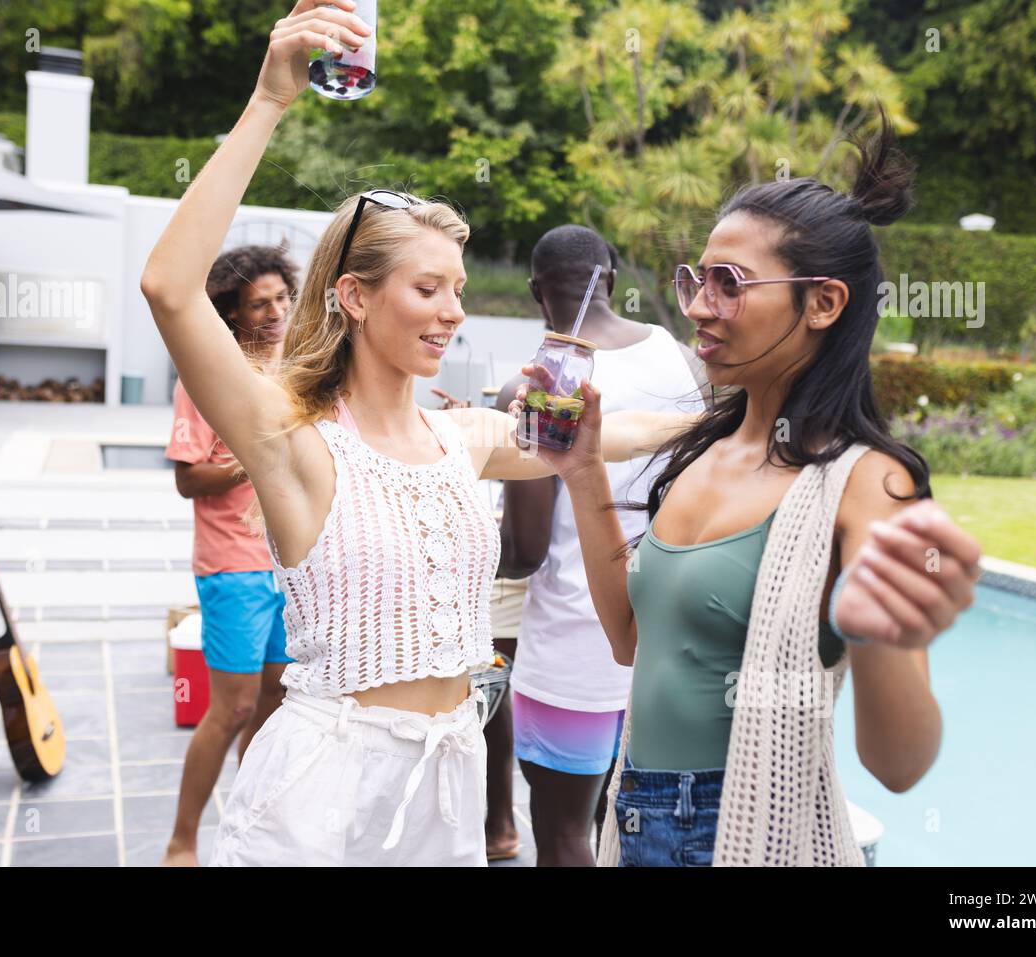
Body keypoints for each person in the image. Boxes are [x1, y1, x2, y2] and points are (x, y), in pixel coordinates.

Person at [140, 0, 698, 866]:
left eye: (459, 287)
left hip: (449, 786)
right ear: (356, 296)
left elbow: (617, 435)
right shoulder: (293, 442)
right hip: (323, 797)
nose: (455, 311)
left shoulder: (466, 435)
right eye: (428, 288)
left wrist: (739, 412)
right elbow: (170, 287)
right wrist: (268, 102)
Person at [509, 110, 983, 867]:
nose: (698, 306)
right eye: (697, 279)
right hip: (636, 819)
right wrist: (583, 468)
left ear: (823, 303)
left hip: (750, 830)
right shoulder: (705, 450)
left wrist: (875, 631)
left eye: (728, 284)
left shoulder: (869, 484)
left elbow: (901, 765)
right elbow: (633, 639)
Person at [493, 225, 705, 866]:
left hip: (573, 652)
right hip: (666, 644)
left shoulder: (538, 383)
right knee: (641, 828)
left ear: (536, 292)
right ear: (611, 278)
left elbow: (526, 549)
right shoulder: (686, 361)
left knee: (564, 835)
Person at [161, 243, 298, 867]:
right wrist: (256, 455)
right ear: (232, 314)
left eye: (280, 298)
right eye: (257, 304)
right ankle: (182, 840)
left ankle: (247, 831)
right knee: (232, 706)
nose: (273, 312)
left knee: (271, 709)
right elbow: (189, 478)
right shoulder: (207, 372)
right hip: (233, 565)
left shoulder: (298, 368)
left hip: (290, 563)